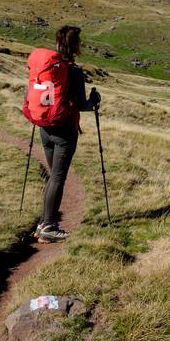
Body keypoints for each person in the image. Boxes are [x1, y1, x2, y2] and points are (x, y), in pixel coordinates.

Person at [36, 25, 100, 243]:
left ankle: (44, 223)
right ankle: (49, 227)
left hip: (45, 129)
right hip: (64, 131)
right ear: (75, 46)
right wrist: (94, 101)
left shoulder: (49, 66)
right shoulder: (73, 71)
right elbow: (82, 105)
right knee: (57, 177)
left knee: (53, 176)